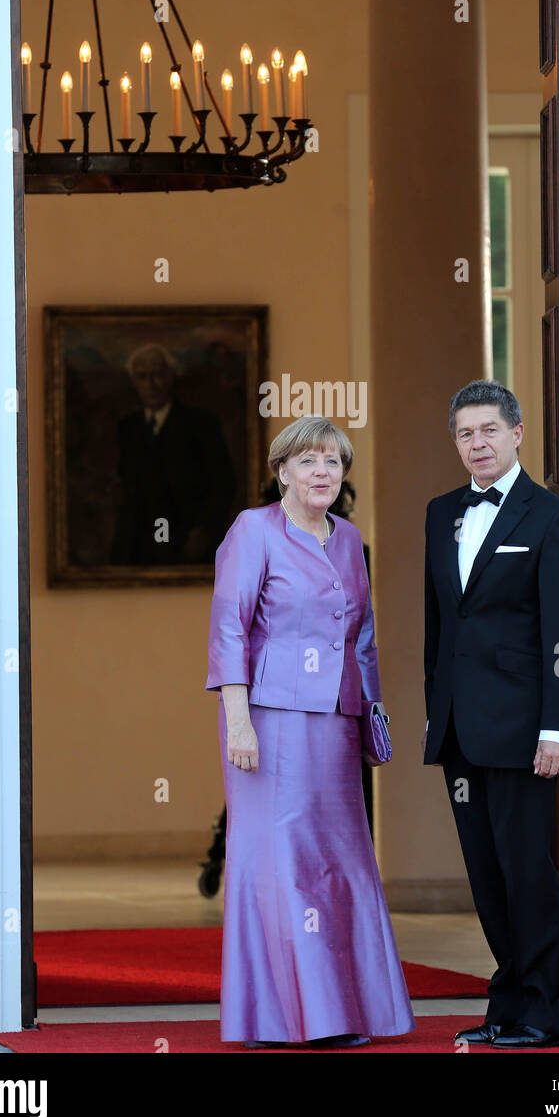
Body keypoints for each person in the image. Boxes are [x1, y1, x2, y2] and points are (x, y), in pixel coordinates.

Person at [206, 415, 415, 1048]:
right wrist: (237, 720)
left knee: (341, 860)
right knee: (281, 863)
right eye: (307, 462)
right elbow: (230, 629)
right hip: (268, 722)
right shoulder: (253, 531)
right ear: (282, 473)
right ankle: (287, 1017)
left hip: (336, 725)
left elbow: (366, 640)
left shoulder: (350, 539)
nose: (321, 473)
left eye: (333, 462)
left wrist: (372, 719)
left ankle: (346, 1011)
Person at [423, 380, 559, 1049]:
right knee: (488, 875)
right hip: (462, 729)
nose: (478, 444)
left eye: (489, 430)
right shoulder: (442, 513)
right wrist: (434, 715)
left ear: (518, 433)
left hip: (528, 731)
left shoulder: (552, 516)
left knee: (529, 872)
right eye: (466, 433)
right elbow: (440, 628)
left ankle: (549, 1012)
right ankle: (508, 1005)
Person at [109, 343, 236, 565]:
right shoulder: (128, 427)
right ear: (134, 383)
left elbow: (223, 483)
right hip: (138, 542)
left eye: (157, 375)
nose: (150, 384)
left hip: (186, 539)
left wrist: (204, 530)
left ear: (170, 377)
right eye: (142, 377)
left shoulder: (201, 424)